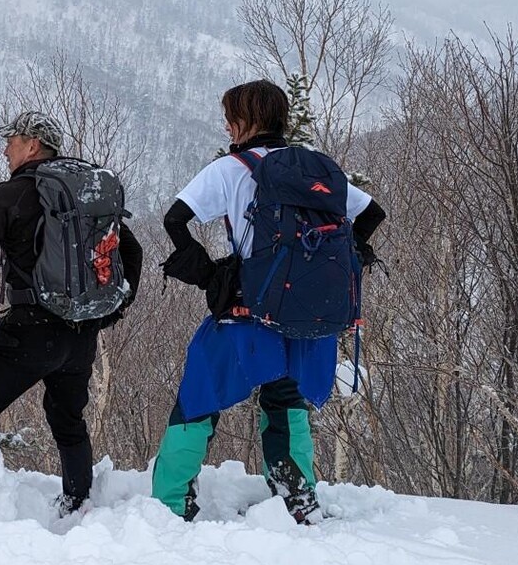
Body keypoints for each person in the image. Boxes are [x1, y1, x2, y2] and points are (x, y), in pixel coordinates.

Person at [150, 79, 385, 522]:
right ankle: (297, 499)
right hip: (305, 316)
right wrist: (349, 254)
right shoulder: (317, 170)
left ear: (247, 120)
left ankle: (169, 505)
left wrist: (207, 270)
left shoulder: (230, 168)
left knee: (198, 398)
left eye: (230, 117)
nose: (226, 126)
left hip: (245, 312)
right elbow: (373, 213)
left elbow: (175, 218)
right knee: (287, 404)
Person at [0, 110, 143, 515]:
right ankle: (77, 505)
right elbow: (132, 251)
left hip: (27, 331)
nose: (5, 149)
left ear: (32, 145)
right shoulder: (82, 195)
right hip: (80, 335)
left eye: (12, 141)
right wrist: (113, 310)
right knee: (68, 421)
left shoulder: (9, 195)